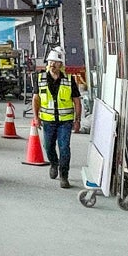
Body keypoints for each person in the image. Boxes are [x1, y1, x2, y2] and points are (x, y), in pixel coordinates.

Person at [36, 50, 82, 188]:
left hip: (65, 121)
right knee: (48, 146)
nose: (52, 64)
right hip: (48, 121)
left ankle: (64, 175)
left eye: (55, 62)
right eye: (50, 62)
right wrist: (36, 117)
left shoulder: (69, 80)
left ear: (61, 64)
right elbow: (36, 98)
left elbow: (77, 101)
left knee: (64, 148)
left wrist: (77, 120)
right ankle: (54, 164)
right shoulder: (40, 78)